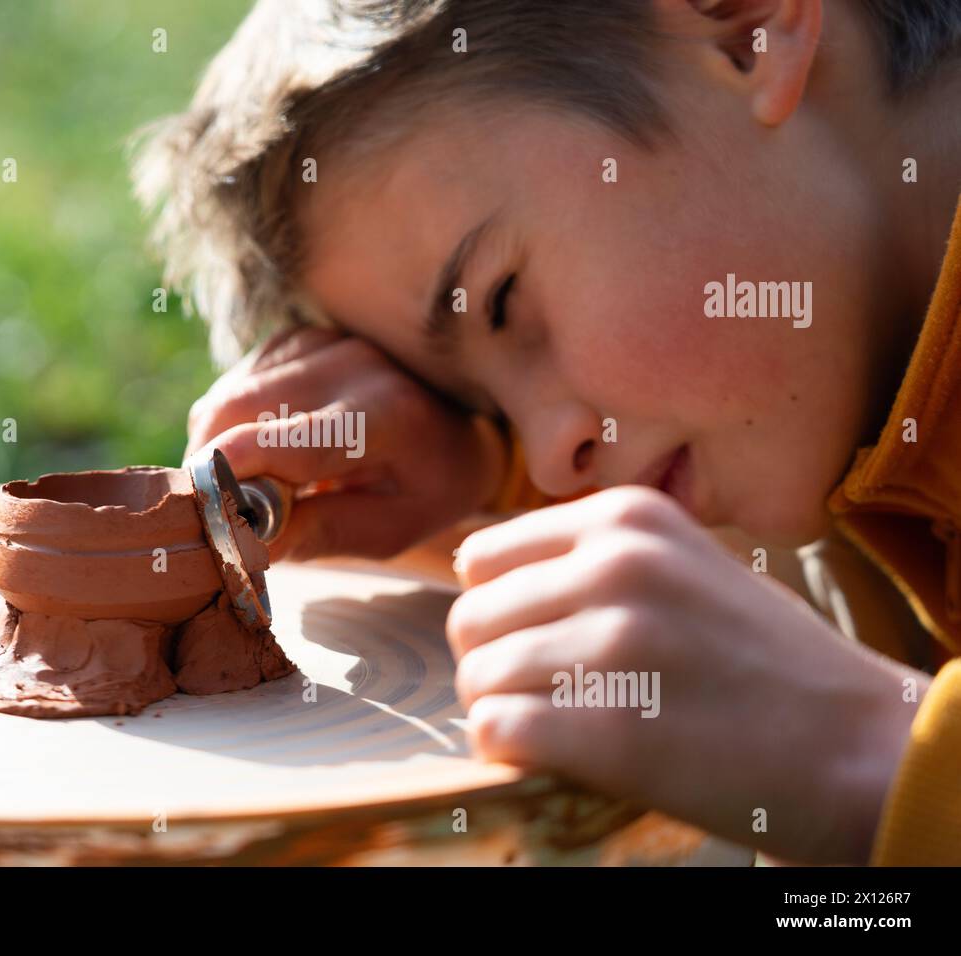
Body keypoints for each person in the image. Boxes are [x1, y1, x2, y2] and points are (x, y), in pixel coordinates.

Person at [131, 0, 961, 864]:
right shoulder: (840, 394)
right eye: (484, 404)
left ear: (741, 27)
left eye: (500, 301)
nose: (558, 470)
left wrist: (870, 759)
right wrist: (482, 466)